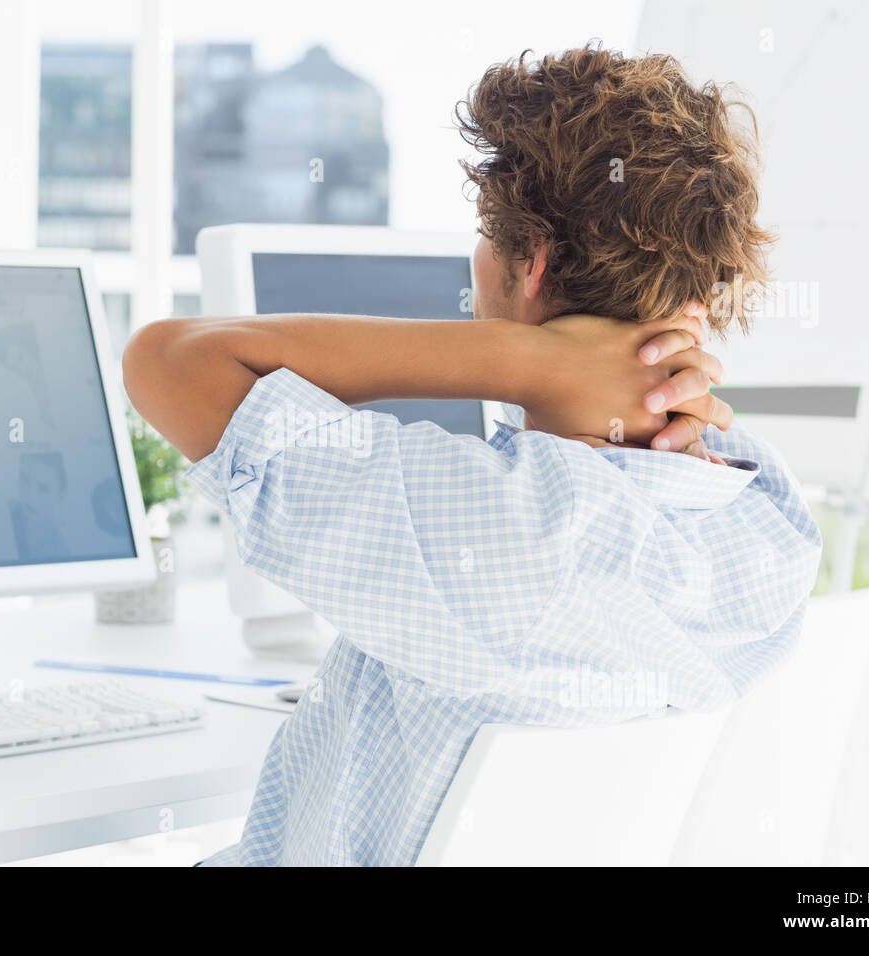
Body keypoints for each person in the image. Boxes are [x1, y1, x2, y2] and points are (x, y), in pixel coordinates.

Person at [123, 46, 822, 866]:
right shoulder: (768, 523)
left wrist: (524, 359)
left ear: (531, 264)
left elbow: (167, 362)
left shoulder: (479, 521)